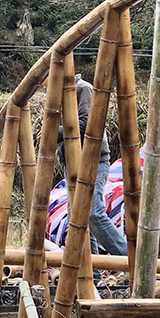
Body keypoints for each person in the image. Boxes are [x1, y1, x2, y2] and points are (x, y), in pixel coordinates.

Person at [56, 73, 128, 257]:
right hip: (72, 166)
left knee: (92, 214)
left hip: (92, 161)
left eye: (44, 79)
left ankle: (129, 260)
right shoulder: (61, 95)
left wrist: (55, 133)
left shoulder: (82, 89)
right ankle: (92, 274)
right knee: (77, 220)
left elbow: (87, 124)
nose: (43, 84)